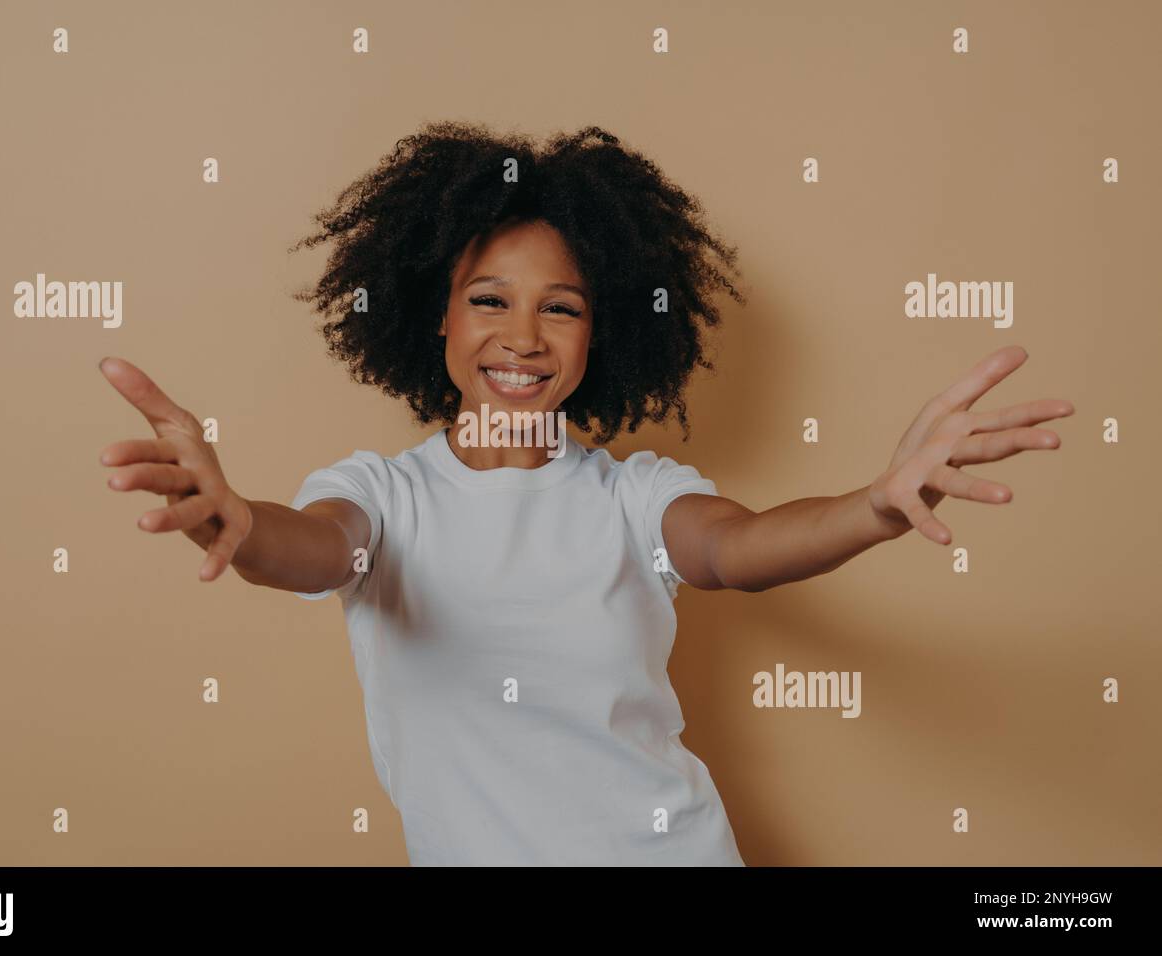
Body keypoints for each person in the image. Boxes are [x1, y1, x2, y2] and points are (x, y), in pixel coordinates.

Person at [97, 122, 1074, 865]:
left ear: (598, 335)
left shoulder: (633, 498)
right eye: (489, 299)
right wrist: (235, 522)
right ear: (437, 316)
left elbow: (737, 548)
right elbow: (311, 548)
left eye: (559, 308)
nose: (523, 337)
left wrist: (875, 505)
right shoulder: (381, 498)